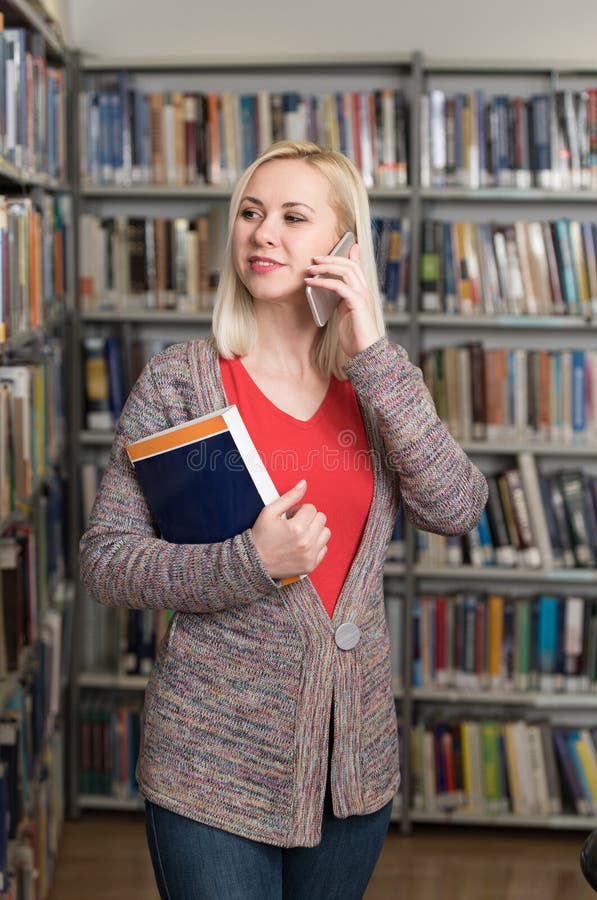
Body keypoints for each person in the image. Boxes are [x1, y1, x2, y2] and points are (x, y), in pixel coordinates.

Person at [80, 140, 488, 900]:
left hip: (352, 768)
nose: (262, 232)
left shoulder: (378, 388)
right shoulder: (183, 382)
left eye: (293, 217)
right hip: (213, 768)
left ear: (342, 247)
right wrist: (248, 560)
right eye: (250, 213)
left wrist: (372, 348)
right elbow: (106, 561)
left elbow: (456, 507)